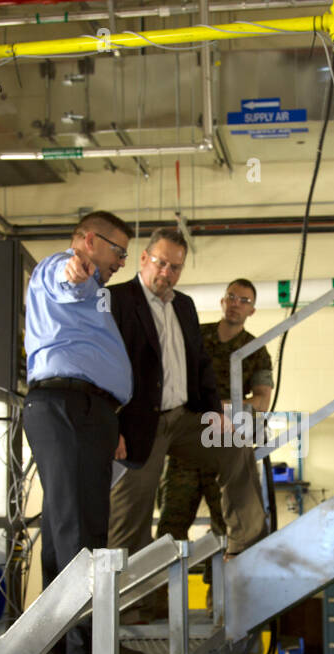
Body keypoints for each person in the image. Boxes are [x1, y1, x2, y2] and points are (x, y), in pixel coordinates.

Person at [107, 230, 266, 569]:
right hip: (138, 423)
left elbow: (201, 365)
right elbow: (99, 366)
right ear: (144, 258)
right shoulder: (116, 300)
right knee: (130, 519)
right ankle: (127, 608)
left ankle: (244, 545)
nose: (167, 273)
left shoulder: (184, 305)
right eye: (161, 263)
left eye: (176, 267)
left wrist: (214, 413)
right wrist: (110, 425)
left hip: (184, 418)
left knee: (235, 445)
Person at [22, 211, 134, 654]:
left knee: (72, 528)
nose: (121, 262)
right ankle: (85, 649)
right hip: (69, 407)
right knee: (78, 532)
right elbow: (68, 280)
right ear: (89, 241)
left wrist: (111, 419)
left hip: (88, 412)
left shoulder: (96, 299)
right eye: (117, 251)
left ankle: (62, 643)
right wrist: (76, 271)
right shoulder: (63, 269)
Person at [156, 279, 273, 550]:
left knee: (228, 533)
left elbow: (261, 401)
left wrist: (215, 407)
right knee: (169, 531)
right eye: (232, 297)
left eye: (244, 301)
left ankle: (222, 593)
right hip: (184, 449)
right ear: (222, 301)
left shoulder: (256, 350)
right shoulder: (194, 337)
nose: (236, 304)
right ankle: (159, 592)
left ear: (252, 311)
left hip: (224, 447)